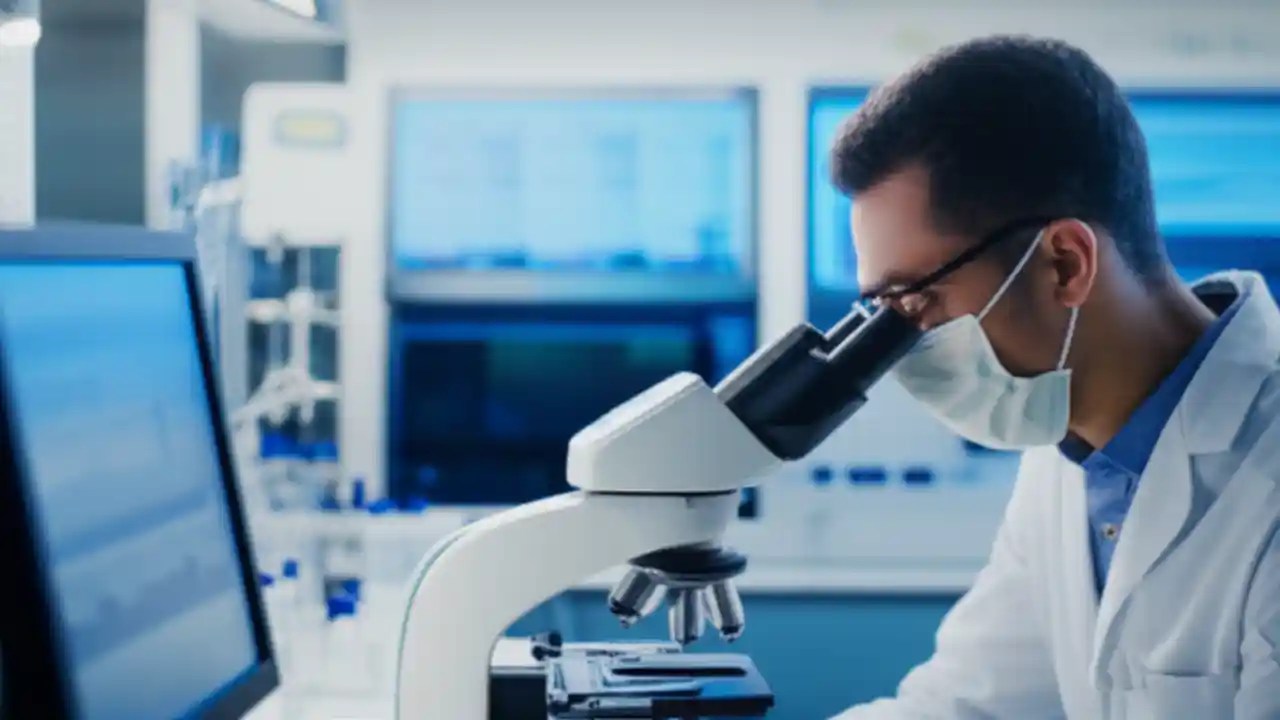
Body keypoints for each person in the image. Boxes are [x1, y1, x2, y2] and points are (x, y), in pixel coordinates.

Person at [828, 36, 1280, 719]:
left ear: (1065, 264)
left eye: (916, 301)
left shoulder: (1266, 481)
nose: (904, 343)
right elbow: (964, 706)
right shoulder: (1067, 461)